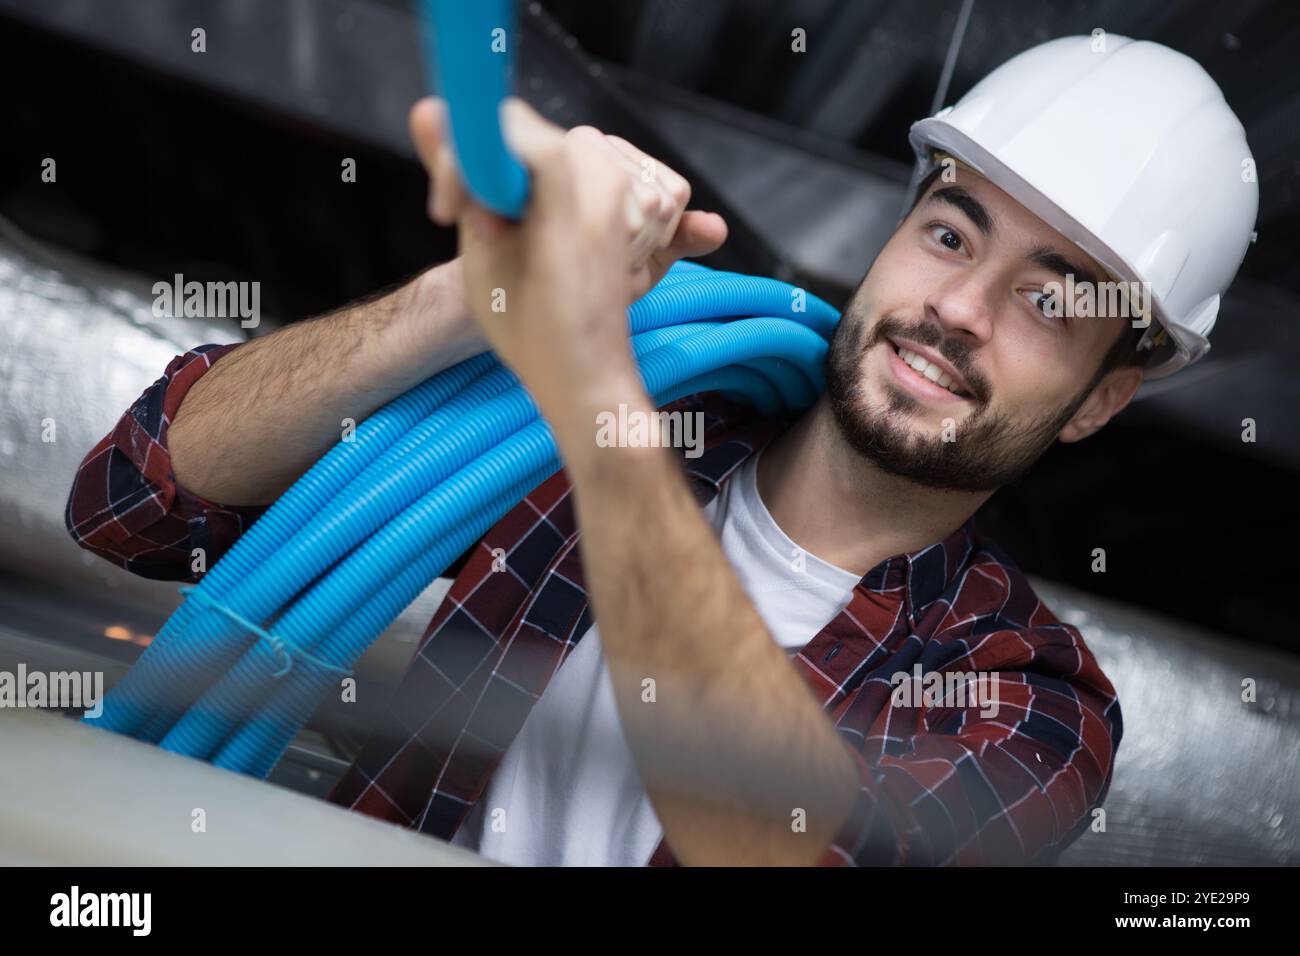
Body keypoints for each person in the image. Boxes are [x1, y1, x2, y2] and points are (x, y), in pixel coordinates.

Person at [66, 35, 1256, 866]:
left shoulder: (1034, 700)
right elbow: (138, 499)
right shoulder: (583, 438)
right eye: (950, 232)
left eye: (1049, 302)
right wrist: (468, 296)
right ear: (894, 235)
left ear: (1102, 398)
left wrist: (589, 371)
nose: (960, 307)